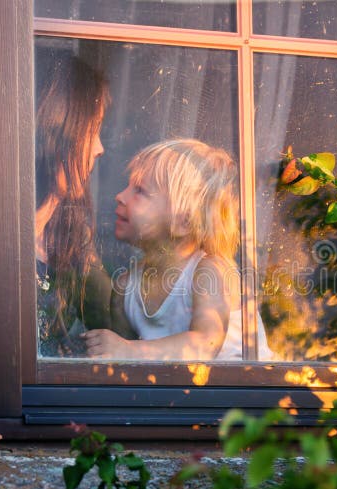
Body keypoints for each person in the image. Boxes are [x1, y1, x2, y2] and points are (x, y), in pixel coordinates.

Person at [82, 139, 263, 360]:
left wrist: (128, 349)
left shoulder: (208, 273)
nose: (120, 196)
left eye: (139, 190)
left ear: (184, 222)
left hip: (245, 393)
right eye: (128, 186)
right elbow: (124, 366)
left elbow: (206, 344)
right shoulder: (124, 288)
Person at [34, 54, 112, 356]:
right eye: (92, 131)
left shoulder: (70, 236)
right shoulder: (2, 239)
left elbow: (111, 322)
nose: (100, 148)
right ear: (56, 133)